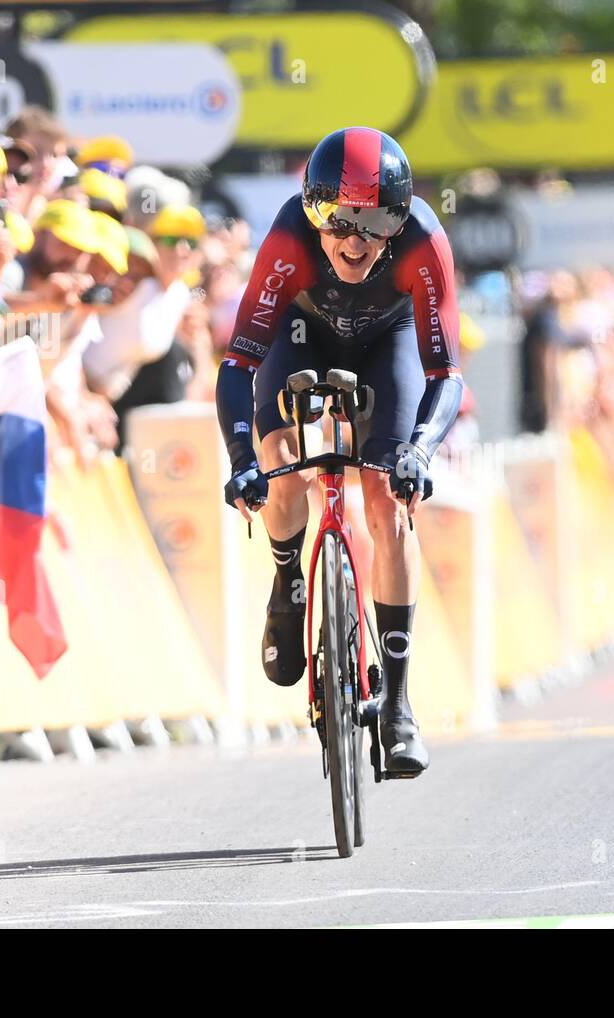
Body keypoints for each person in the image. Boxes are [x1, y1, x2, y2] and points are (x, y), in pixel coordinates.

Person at [215, 126, 462, 776]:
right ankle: (288, 578)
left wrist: (420, 453)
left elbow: (444, 374)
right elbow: (239, 364)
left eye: (377, 223)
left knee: (388, 500)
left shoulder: (423, 244)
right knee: (281, 469)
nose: (355, 241)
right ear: (312, 211)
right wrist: (243, 461)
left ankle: (400, 705)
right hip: (303, 332)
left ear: (400, 220)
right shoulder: (289, 236)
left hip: (390, 339)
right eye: (338, 221)